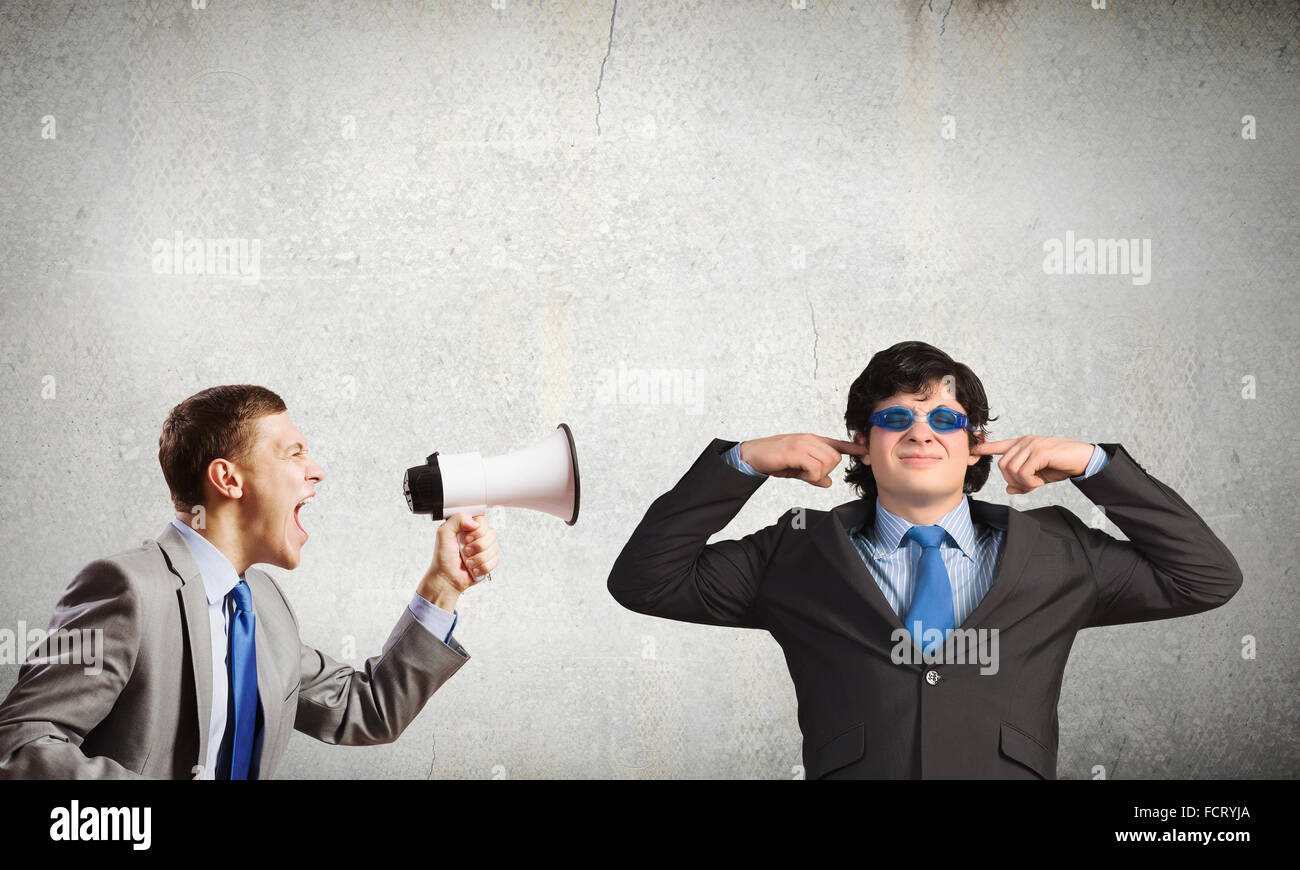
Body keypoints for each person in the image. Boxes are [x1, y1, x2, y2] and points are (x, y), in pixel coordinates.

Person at [607, 341, 1242, 779]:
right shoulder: (795, 550)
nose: (921, 431)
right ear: (860, 444)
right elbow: (645, 582)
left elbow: (1206, 578)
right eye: (894, 418)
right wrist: (743, 462)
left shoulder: (1059, 550)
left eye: (944, 416)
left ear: (975, 447)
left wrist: (1096, 467)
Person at [0, 384, 498, 779]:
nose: (317, 470)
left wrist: (443, 587)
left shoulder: (263, 605)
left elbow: (366, 709)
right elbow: (19, 746)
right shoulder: (128, 588)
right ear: (228, 479)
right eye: (294, 453)